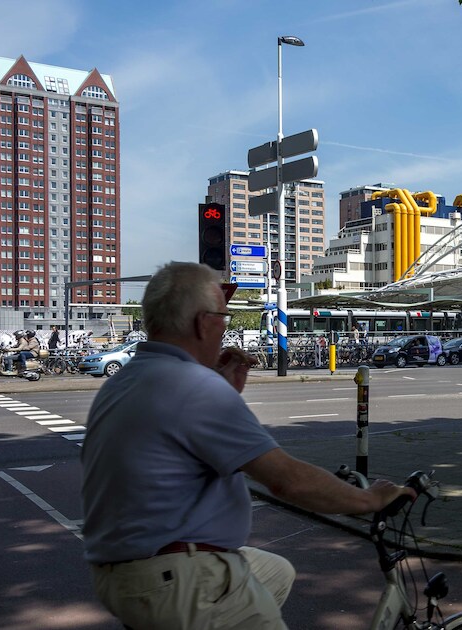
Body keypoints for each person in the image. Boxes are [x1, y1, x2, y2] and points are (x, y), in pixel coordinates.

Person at [81, 262, 413, 629]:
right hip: (179, 577)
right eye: (223, 319)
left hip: (120, 573)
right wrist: (369, 500)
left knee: (276, 572)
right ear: (203, 323)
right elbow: (288, 480)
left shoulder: (124, 382)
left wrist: (218, 385)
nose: (225, 330)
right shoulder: (195, 388)